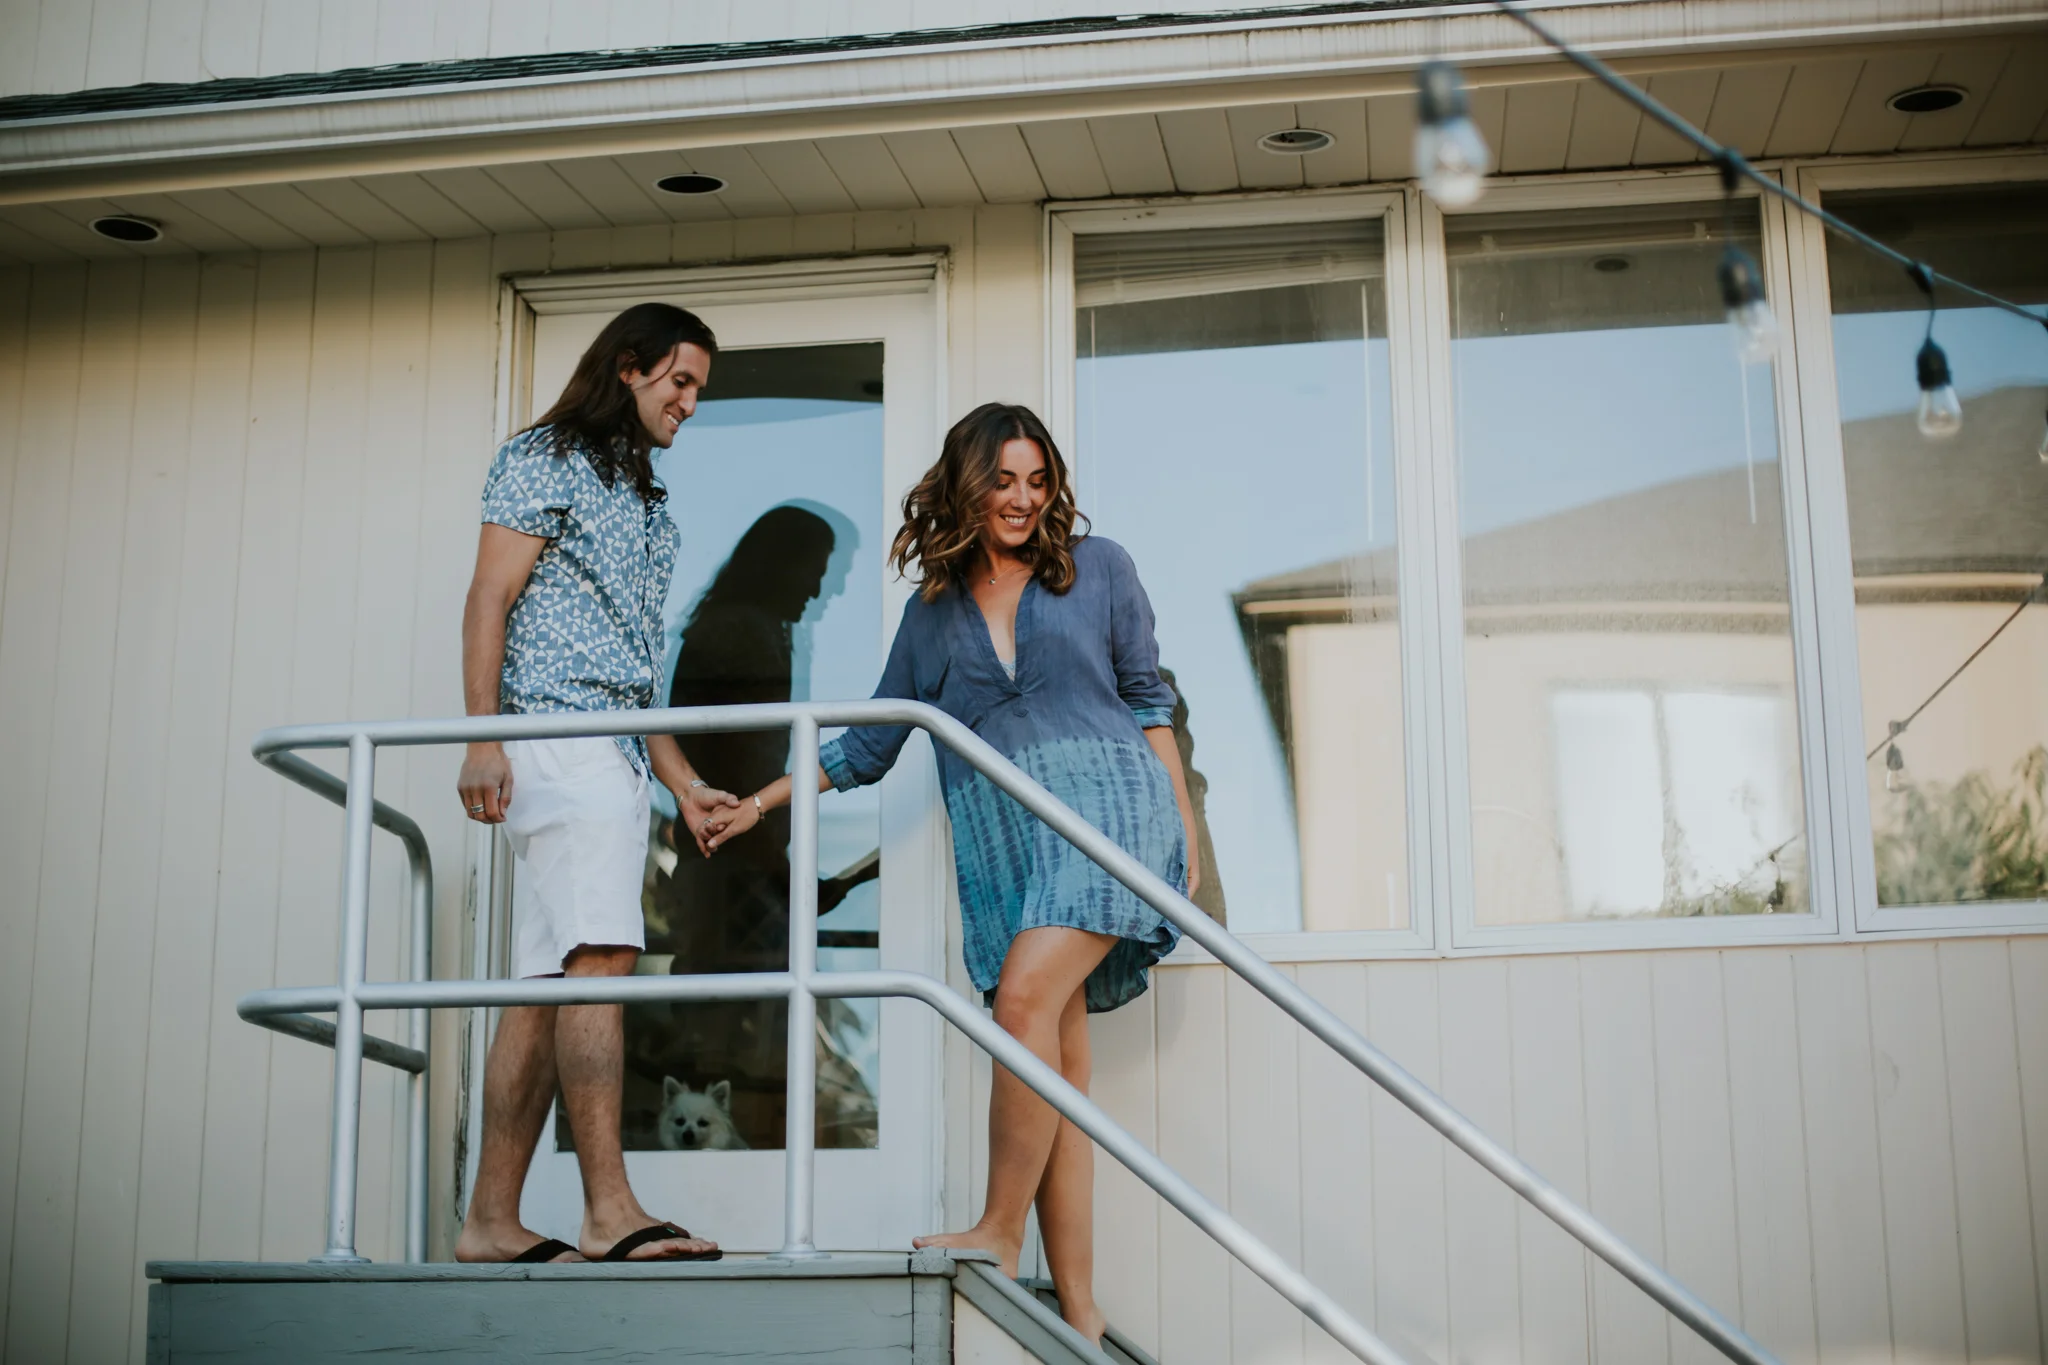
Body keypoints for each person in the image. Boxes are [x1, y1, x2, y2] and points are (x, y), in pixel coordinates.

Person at [711, 402, 1201, 1341]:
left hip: (1112, 819)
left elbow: (1148, 700)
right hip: (1012, 848)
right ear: (966, 486)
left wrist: (1178, 832)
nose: (1023, 499)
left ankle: (995, 1231)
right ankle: (1084, 1314)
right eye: (1003, 480)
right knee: (1058, 1067)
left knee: (1021, 1006)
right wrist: (760, 802)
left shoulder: (1100, 568)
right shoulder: (932, 616)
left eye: (1038, 479)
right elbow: (869, 742)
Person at [452, 302, 739, 1265]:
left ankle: (490, 1219)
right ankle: (609, 1207)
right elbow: (488, 596)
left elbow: (635, 669)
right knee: (604, 964)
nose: (691, 404)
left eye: (699, 387)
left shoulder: (649, 501)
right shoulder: (545, 456)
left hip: (612, 752)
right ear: (628, 366)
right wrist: (483, 739)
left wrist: (683, 782)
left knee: (544, 988)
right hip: (556, 744)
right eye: (680, 381)